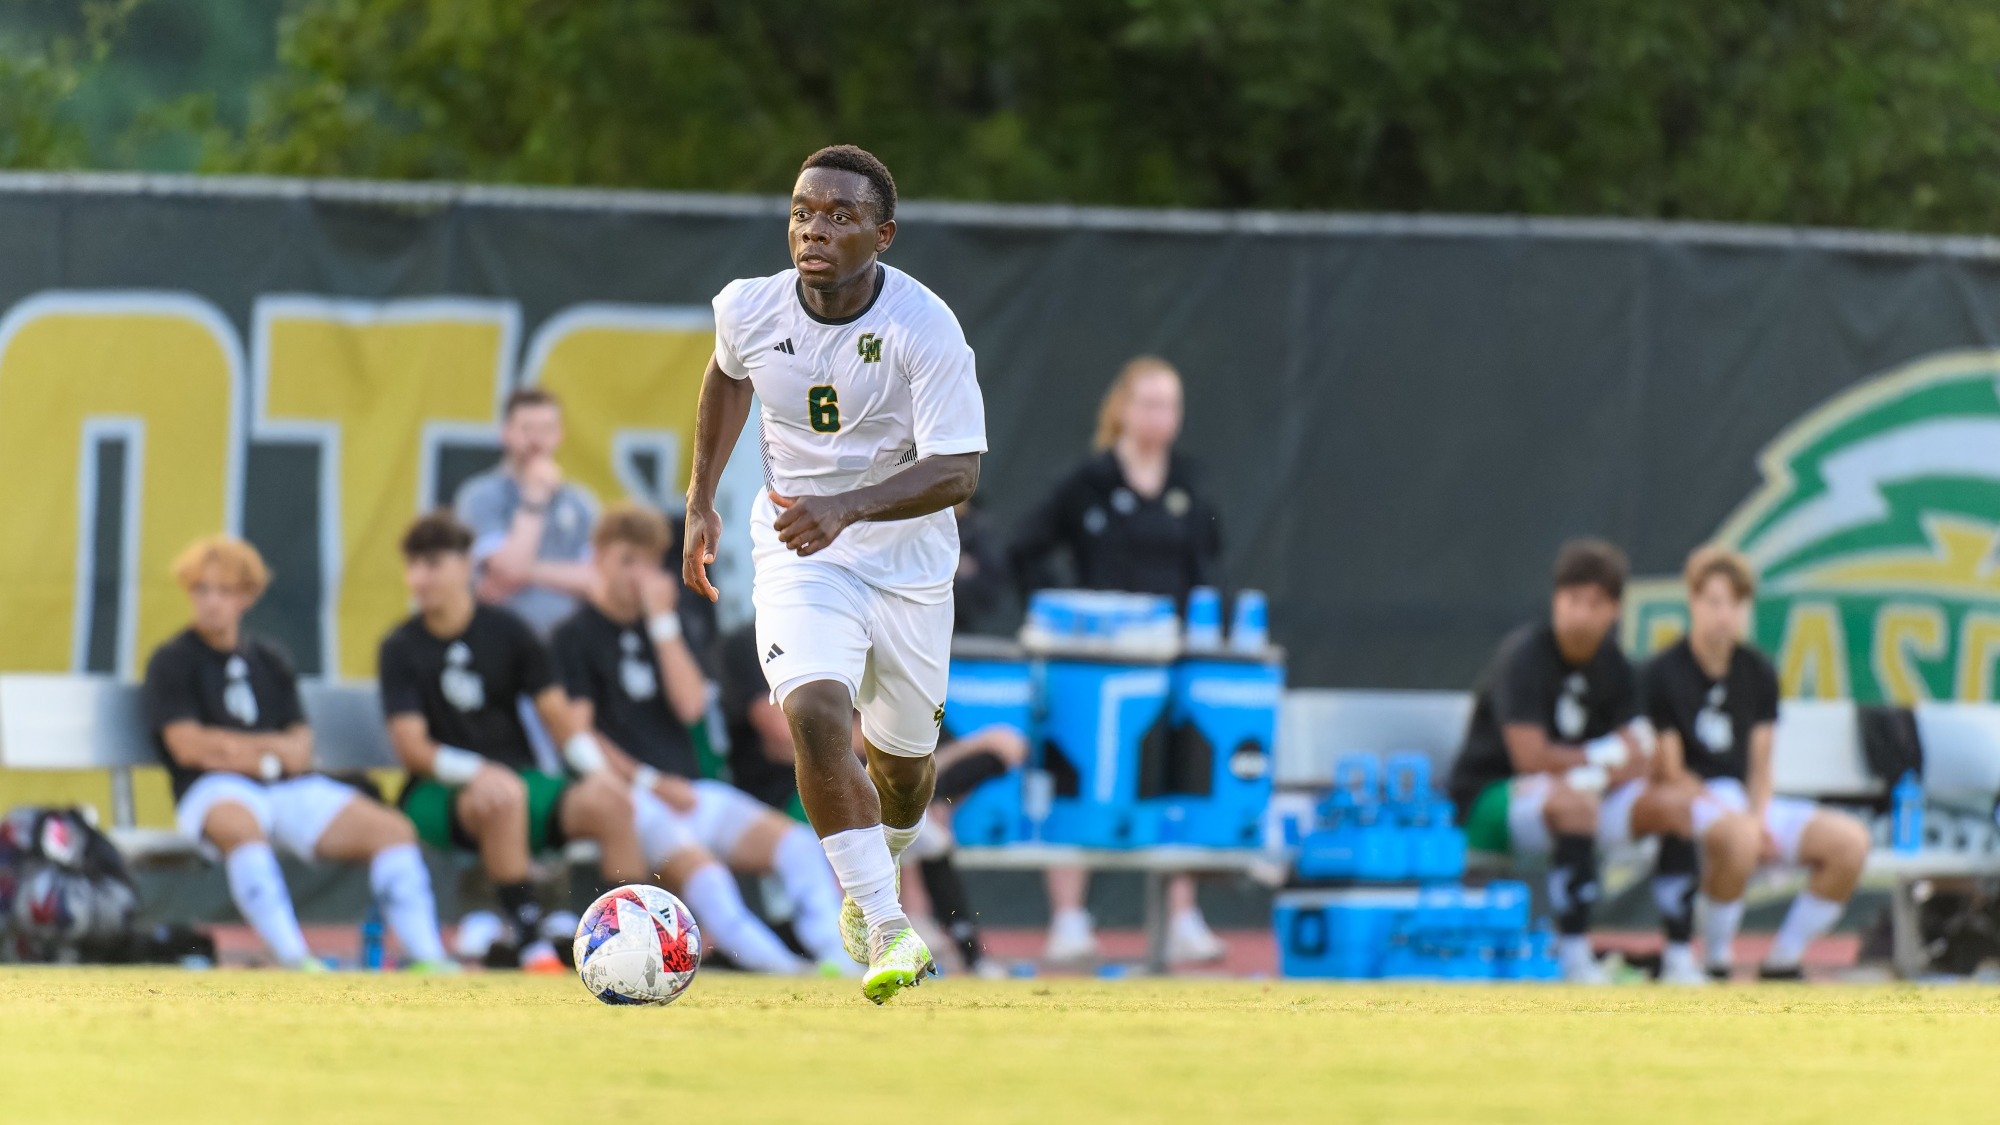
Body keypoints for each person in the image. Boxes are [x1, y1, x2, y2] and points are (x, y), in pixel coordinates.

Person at [683, 143, 987, 1003]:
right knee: (815, 713)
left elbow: (959, 470)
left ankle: (884, 848)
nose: (815, 228)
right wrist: (700, 498)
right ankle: (887, 923)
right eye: (803, 211)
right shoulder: (749, 307)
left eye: (840, 215)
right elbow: (726, 374)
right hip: (798, 544)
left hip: (909, 566)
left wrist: (847, 507)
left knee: (905, 772)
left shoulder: (924, 327)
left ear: (882, 234)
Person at [552, 501, 848, 972]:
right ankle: (790, 975)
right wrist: (648, 782)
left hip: (690, 791)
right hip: (634, 796)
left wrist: (662, 622)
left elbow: (691, 706)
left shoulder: (672, 624)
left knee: (797, 847)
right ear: (598, 557)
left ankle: (838, 963)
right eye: (626, 561)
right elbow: (579, 733)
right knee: (711, 883)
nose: (639, 576)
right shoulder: (573, 635)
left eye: (648, 564)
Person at [1007, 355, 1227, 966]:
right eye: (1150, 403)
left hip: (1171, 666)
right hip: (1092, 671)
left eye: (1171, 405)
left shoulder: (1189, 483)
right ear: (1123, 409)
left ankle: (1182, 917)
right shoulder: (1089, 483)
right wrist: (1054, 616)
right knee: (1079, 780)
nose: (1162, 417)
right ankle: (1069, 921)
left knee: (1179, 779)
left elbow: (1209, 567)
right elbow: (1025, 549)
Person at [145, 535, 448, 970]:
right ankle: (293, 957)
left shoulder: (270, 659)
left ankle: (429, 957)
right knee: (241, 826)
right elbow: (188, 747)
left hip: (285, 788)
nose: (211, 602)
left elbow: (301, 748)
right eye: (201, 590)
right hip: (212, 790)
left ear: (246, 596)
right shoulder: (171, 660)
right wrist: (267, 754)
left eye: (223, 591)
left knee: (393, 831)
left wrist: (235, 748)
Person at [378, 511, 647, 972]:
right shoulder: (401, 647)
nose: (419, 578)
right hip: (435, 791)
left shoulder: (509, 632)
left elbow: (559, 720)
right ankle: (531, 943)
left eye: (432, 563)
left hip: (520, 779)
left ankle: (626, 941)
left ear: (465, 565)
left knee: (611, 803)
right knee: (504, 795)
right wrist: (479, 772)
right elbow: (411, 748)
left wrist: (599, 774)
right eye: (413, 565)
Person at [1447, 539, 1706, 984]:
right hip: (1492, 802)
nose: (1581, 614)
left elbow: (1641, 754)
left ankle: (1681, 957)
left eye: (1594, 603)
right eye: (1571, 600)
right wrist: (1601, 758)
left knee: (1676, 809)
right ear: (1555, 601)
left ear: (1614, 610)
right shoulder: (1524, 656)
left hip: (1582, 796)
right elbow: (1528, 757)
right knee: (1576, 803)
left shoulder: (1617, 668)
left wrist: (1598, 768)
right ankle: (1573, 954)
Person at [1645, 546, 1871, 980]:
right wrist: (1737, 820)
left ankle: (1783, 960)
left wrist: (1759, 815)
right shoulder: (1664, 672)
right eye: (1713, 602)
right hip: (1691, 799)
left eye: (1734, 603)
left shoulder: (1757, 672)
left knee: (1849, 843)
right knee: (1739, 839)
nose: (1723, 614)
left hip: (1745, 802)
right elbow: (1671, 770)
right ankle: (1716, 957)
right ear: (1693, 602)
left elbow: (1760, 764)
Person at [455, 387, 599, 639]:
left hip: (567, 646)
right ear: (505, 433)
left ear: (560, 435)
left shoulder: (582, 503)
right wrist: (534, 499)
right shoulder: (479, 497)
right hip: (499, 641)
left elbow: (597, 579)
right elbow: (505, 569)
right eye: (526, 429)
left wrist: (527, 571)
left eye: (546, 429)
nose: (536, 440)